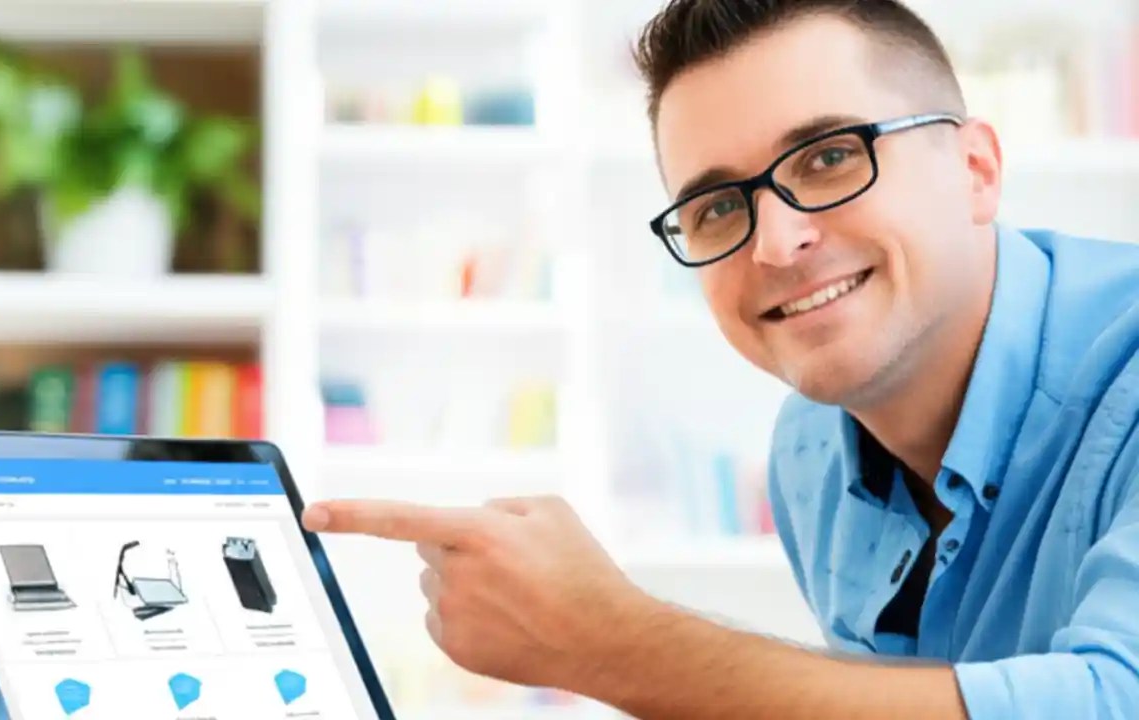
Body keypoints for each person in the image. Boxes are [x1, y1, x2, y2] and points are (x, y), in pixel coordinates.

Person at [302, 0, 1139, 717]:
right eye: (715, 207)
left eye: (830, 158)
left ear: (975, 169)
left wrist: (611, 642)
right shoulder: (809, 450)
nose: (775, 242)